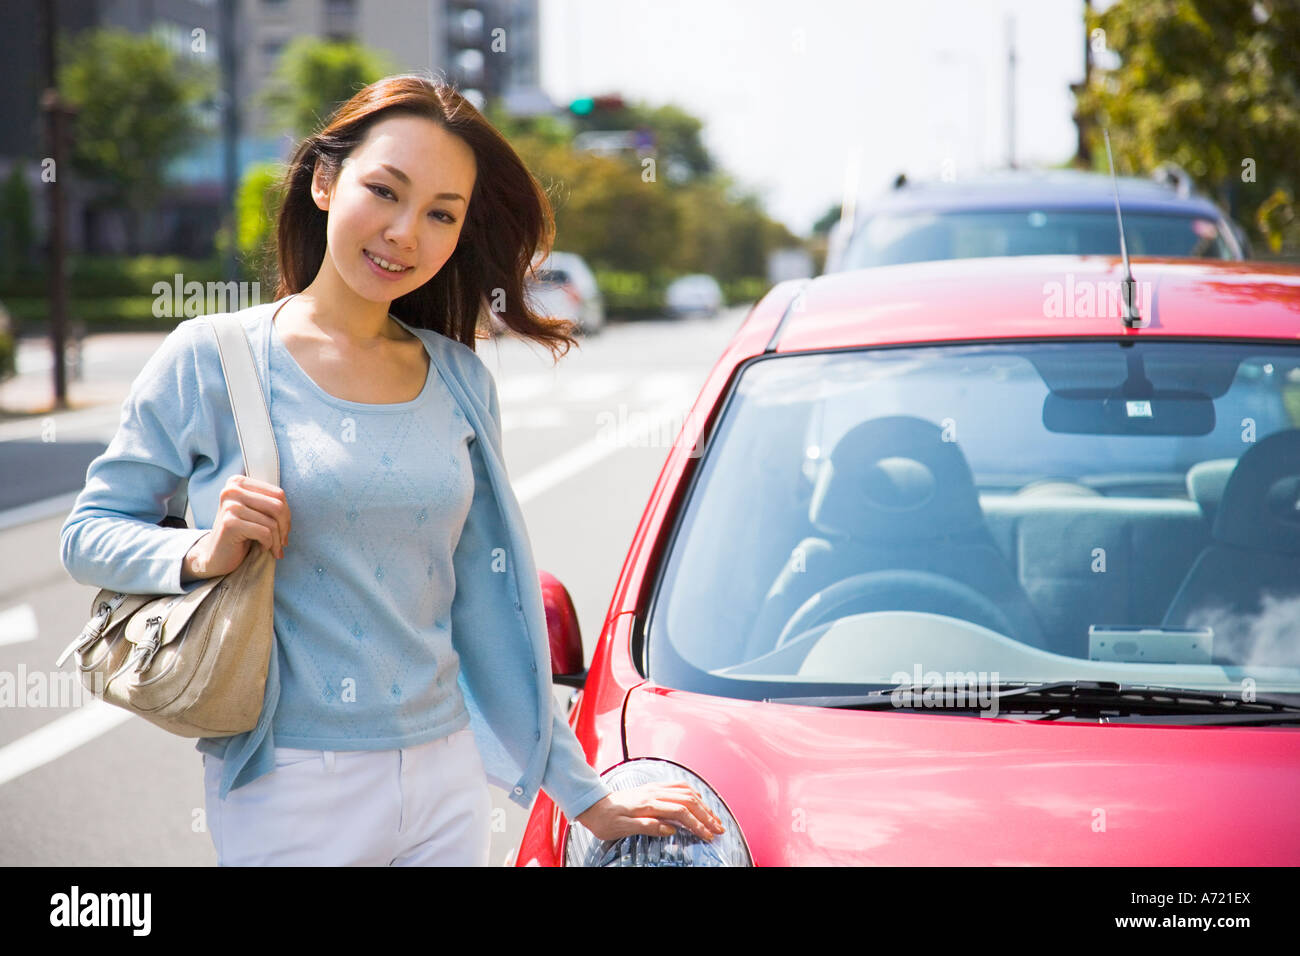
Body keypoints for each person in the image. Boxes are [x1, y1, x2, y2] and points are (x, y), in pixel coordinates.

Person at [59, 73, 724, 865]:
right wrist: (197, 553)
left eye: (441, 214)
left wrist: (586, 795)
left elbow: (485, 602)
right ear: (324, 181)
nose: (406, 232)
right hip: (291, 783)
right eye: (385, 191)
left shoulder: (460, 378)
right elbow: (90, 533)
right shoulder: (216, 359)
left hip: (446, 777)